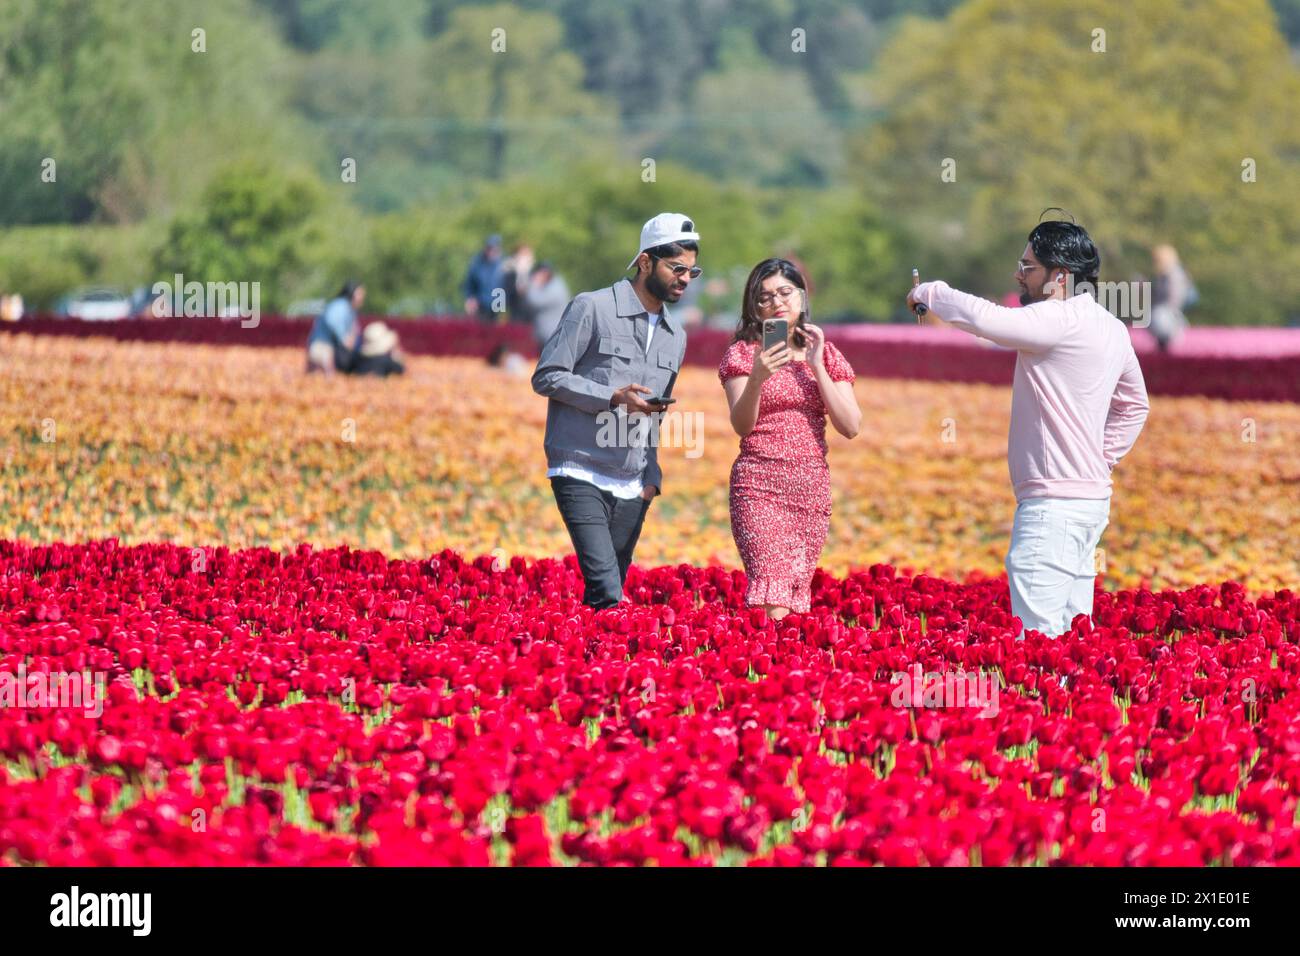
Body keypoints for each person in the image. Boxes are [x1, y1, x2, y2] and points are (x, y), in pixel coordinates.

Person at [908, 217, 1150, 640]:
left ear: (1060, 276)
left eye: (1028, 266)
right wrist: (1098, 457)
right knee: (1075, 637)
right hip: (1091, 501)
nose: (1018, 275)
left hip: (1052, 506)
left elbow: (987, 320)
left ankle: (1046, 708)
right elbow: (1135, 406)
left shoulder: (1058, 319)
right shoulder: (1111, 327)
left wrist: (930, 292)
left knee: (1038, 642)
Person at [531, 212, 699, 609]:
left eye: (693, 272)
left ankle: (586, 668)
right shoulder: (591, 307)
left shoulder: (677, 337)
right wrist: (612, 397)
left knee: (605, 596)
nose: (685, 279)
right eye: (677, 268)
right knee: (608, 592)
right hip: (579, 467)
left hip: (632, 480)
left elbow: (656, 415)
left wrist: (651, 478)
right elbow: (547, 376)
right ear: (645, 262)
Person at [718, 258, 861, 620]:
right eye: (764, 297)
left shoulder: (826, 354)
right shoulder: (742, 354)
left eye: (785, 292)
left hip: (809, 490)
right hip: (758, 485)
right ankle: (772, 668)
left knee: (795, 598)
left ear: (801, 295)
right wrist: (757, 377)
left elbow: (851, 426)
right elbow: (741, 424)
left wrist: (816, 366)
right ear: (754, 306)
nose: (776, 302)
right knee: (772, 590)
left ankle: (780, 671)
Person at [307, 281, 364, 373]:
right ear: (351, 293)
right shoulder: (341, 306)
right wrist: (343, 337)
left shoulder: (350, 309)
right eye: (359, 294)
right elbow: (333, 320)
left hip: (329, 348)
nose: (362, 297)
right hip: (323, 346)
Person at [1149, 244, 1194, 351]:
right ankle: (1165, 344)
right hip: (1165, 311)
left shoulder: (1174, 275)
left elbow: (1174, 298)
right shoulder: (1163, 275)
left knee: (1158, 318)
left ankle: (1172, 336)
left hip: (1170, 313)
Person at [524, 262, 571, 349]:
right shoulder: (551, 285)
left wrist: (533, 284)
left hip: (552, 336)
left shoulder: (556, 288)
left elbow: (533, 301)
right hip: (550, 335)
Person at [462, 235, 507, 320]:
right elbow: (469, 284)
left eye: (495, 248)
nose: (492, 251)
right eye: (489, 248)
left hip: (499, 304)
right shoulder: (477, 263)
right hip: (481, 303)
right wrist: (470, 298)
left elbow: (507, 286)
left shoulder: (505, 263)